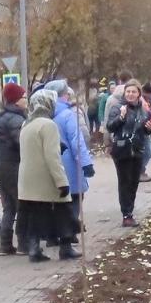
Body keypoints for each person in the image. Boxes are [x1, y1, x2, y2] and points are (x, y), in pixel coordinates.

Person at [17, 88, 74, 262]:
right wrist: (62, 181)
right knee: (63, 211)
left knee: (34, 215)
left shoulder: (26, 124)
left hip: (27, 179)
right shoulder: (48, 125)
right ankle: (66, 248)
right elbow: (52, 156)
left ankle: (34, 249)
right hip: (45, 178)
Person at [105, 80, 151, 227]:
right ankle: (126, 215)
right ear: (124, 93)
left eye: (134, 92)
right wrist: (121, 118)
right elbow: (110, 127)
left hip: (138, 150)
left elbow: (144, 131)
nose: (130, 94)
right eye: (128, 92)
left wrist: (149, 128)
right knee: (124, 182)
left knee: (134, 182)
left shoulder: (142, 110)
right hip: (122, 150)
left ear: (139, 93)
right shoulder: (117, 107)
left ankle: (129, 210)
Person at [0, 82, 27, 255]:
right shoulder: (16, 118)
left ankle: (5, 244)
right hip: (11, 165)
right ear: (16, 100)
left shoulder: (4, 115)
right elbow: (22, 142)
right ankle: (23, 244)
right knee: (22, 204)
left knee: (9, 207)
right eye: (24, 97)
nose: (26, 99)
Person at [53, 85, 92, 244]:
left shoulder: (46, 115)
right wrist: (86, 163)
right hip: (70, 162)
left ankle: (55, 234)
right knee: (75, 196)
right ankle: (69, 233)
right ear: (65, 96)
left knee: (57, 199)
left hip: (53, 162)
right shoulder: (68, 115)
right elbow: (78, 140)